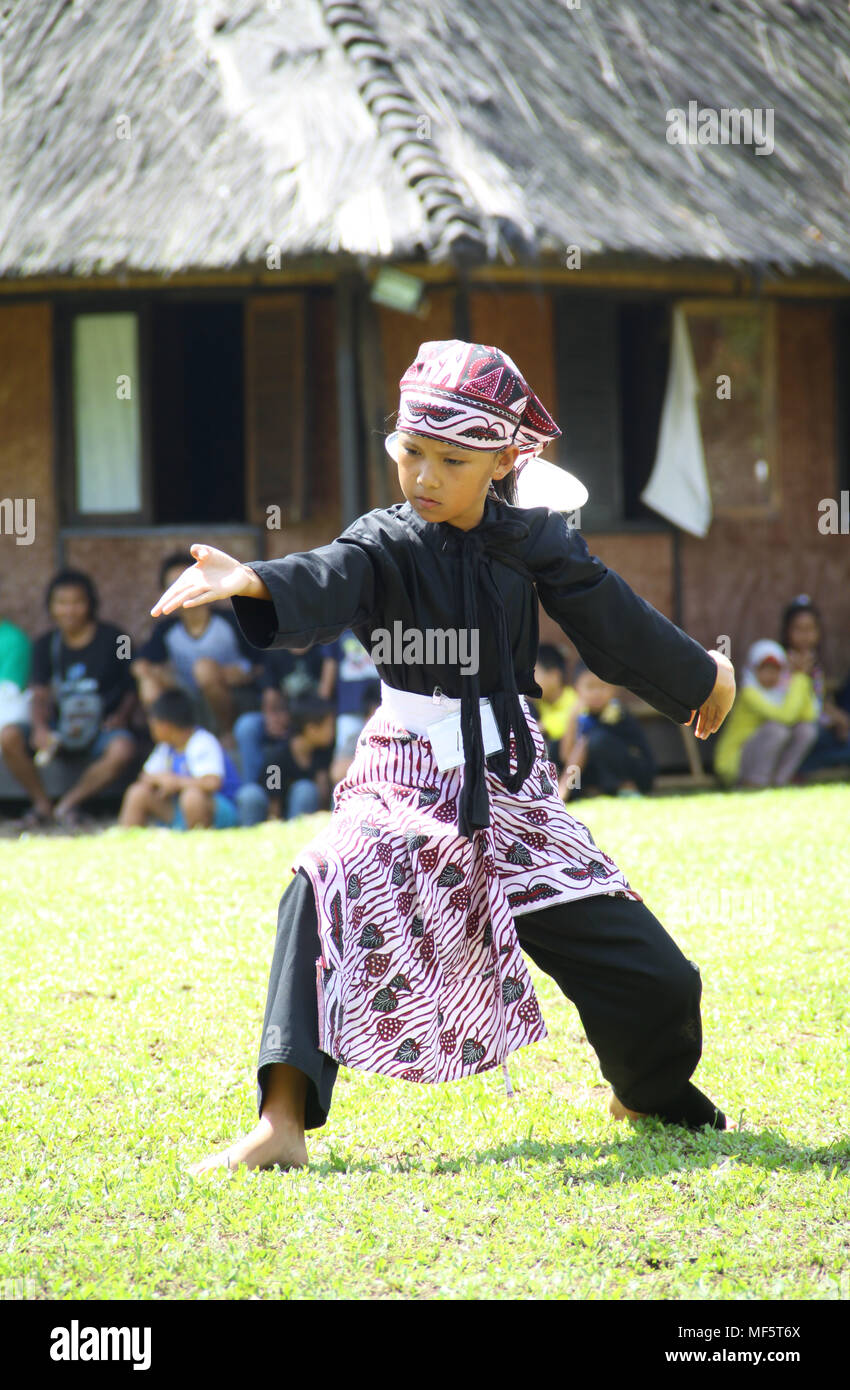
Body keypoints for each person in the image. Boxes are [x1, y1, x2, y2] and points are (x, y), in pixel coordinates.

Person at [150, 339, 737, 1176]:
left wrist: (698, 677)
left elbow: (610, 618)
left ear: (502, 460)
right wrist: (256, 581)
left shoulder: (536, 541)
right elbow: (331, 574)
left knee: (664, 984)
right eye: (411, 453)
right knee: (319, 880)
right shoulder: (384, 542)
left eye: (450, 460)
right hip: (406, 775)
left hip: (512, 784)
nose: (423, 476)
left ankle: (643, 1090)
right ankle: (281, 1122)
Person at [0, 570, 137, 829]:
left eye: (77, 602)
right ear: (51, 607)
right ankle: (42, 805)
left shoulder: (118, 638)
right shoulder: (44, 644)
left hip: (101, 729)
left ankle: (68, 805)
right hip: (59, 729)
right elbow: (38, 693)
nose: (69, 610)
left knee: (123, 749)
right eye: (61, 603)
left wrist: (121, 717)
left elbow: (132, 686)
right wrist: (40, 728)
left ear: (90, 604)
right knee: (8, 736)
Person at [131, 552, 260, 740]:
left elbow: (261, 663)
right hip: (188, 697)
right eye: (173, 586)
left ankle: (227, 734)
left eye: (185, 583)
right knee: (148, 683)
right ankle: (165, 741)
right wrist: (154, 674)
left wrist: (234, 674)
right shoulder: (166, 629)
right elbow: (139, 664)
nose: (181, 590)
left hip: (234, 697)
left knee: (204, 668)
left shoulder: (230, 621)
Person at [119, 688, 241, 830]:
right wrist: (162, 779)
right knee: (138, 792)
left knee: (192, 796)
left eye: (153, 722)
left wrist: (176, 782)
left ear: (166, 726)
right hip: (181, 809)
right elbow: (145, 775)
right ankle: (127, 839)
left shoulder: (202, 741)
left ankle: (198, 842)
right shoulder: (166, 747)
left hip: (220, 807)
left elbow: (212, 782)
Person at [712, 639, 818, 789]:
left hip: (761, 753)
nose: (770, 675)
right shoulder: (749, 692)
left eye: (775, 669)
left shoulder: (783, 689)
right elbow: (785, 717)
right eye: (764, 669)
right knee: (777, 730)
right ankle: (755, 782)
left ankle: (780, 780)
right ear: (753, 669)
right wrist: (800, 678)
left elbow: (809, 716)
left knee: (806, 730)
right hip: (734, 762)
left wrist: (800, 680)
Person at [232, 643, 337, 790]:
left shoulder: (323, 647)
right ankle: (252, 787)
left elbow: (323, 698)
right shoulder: (276, 648)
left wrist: (298, 718)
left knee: (305, 788)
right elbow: (270, 693)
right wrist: (271, 717)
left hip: (312, 718)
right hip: (282, 716)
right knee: (247, 725)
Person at [236, 695, 336, 826]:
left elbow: (322, 792)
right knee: (250, 794)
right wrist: (275, 822)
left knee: (305, 789)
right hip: (271, 809)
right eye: (329, 726)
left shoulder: (322, 753)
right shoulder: (277, 756)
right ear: (312, 729)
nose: (333, 731)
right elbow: (273, 797)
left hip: (303, 811)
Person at [779, 594, 850, 779]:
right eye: (798, 629)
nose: (805, 636)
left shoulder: (815, 665)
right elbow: (787, 708)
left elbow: (816, 701)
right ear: (787, 631)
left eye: (810, 629)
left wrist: (835, 718)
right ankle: (798, 770)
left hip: (816, 726)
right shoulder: (779, 662)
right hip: (793, 728)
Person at [561, 663, 655, 800]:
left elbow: (584, 747)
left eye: (602, 686)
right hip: (597, 772)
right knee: (558, 744)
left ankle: (626, 786)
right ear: (577, 689)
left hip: (637, 774)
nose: (597, 693)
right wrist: (572, 720)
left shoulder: (616, 712)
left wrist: (565, 785)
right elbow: (566, 756)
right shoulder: (582, 716)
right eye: (590, 687)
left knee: (596, 740)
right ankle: (576, 790)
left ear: (613, 688)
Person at [530, 643, 579, 772]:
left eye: (534, 673)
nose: (527, 680)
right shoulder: (536, 704)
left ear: (554, 676)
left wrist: (543, 726)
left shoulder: (573, 698)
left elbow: (569, 719)